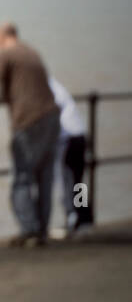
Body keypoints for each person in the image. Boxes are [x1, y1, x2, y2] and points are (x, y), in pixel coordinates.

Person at [0, 23, 60, 247]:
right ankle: (42, 230)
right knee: (45, 178)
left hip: (28, 120)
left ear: (0, 37)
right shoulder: (31, 51)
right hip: (52, 117)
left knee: (21, 177)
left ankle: (29, 230)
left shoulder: (4, 54)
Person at [48, 77, 93, 237]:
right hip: (79, 133)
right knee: (78, 182)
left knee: (66, 180)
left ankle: (72, 219)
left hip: (66, 138)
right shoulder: (55, 85)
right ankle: (85, 220)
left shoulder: (46, 87)